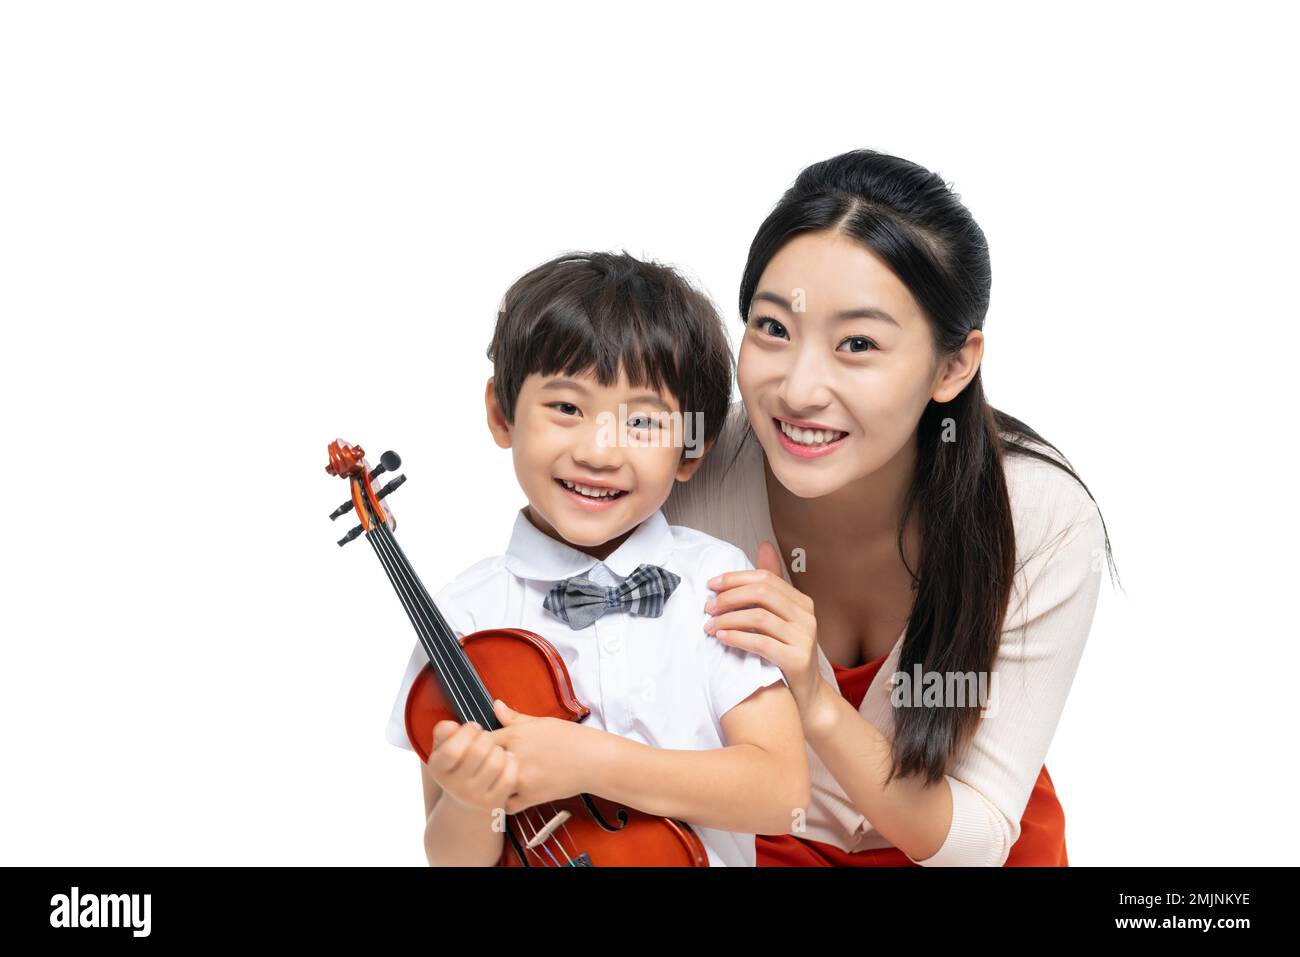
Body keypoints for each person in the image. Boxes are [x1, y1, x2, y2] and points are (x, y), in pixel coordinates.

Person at [663, 149, 1117, 866]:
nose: (800, 388)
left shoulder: (1040, 516)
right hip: (758, 845)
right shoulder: (688, 467)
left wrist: (817, 700)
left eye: (858, 344)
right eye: (773, 328)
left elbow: (981, 837)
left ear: (952, 366)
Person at [384, 250, 810, 866]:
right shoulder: (464, 616)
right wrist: (475, 801)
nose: (598, 452)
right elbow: (451, 858)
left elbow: (780, 792)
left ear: (691, 450)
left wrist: (591, 762)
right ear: (502, 413)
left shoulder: (715, 580)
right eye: (566, 408)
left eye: (641, 421)